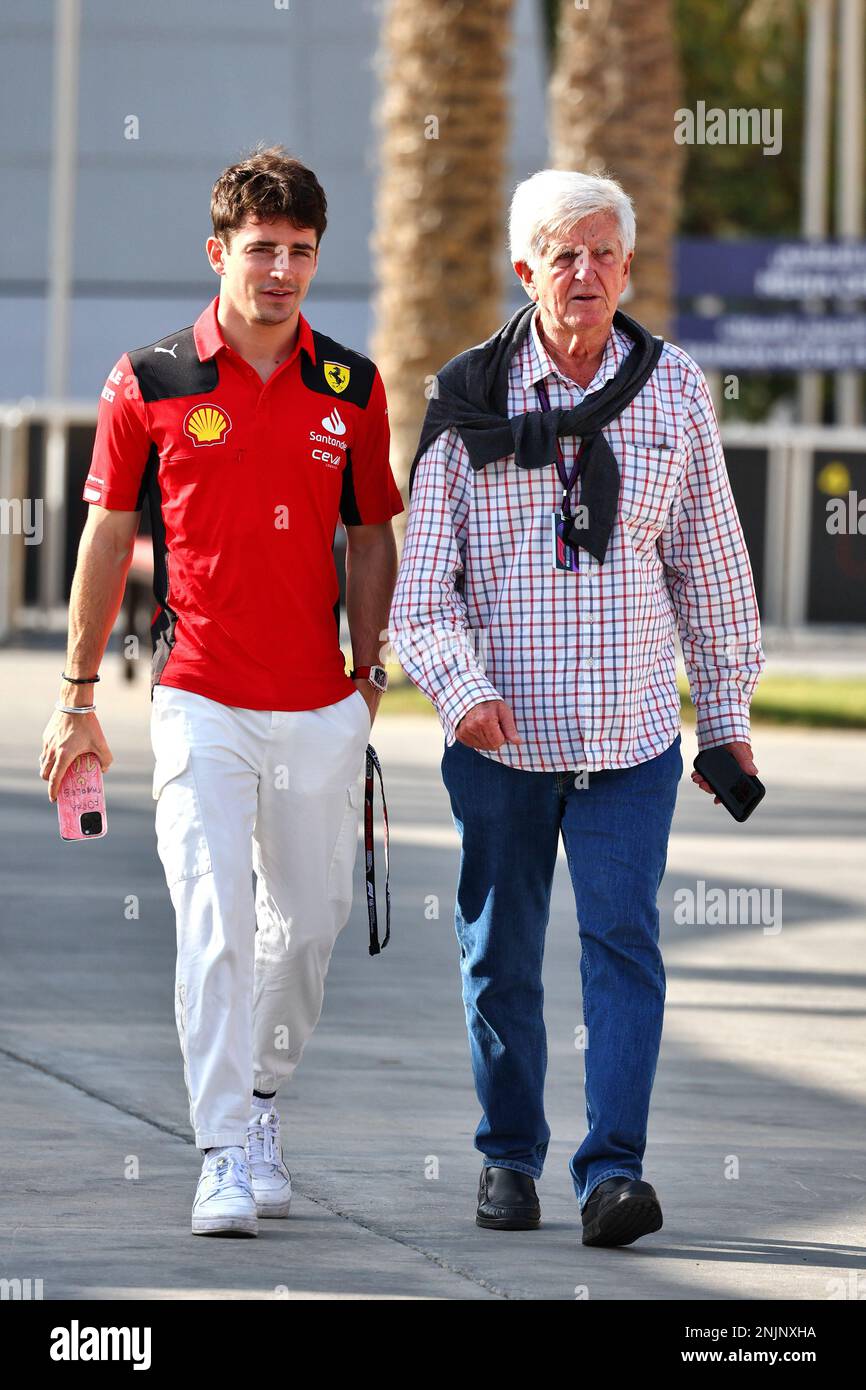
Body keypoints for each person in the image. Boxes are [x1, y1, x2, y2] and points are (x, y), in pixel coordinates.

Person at [389, 168, 765, 1247]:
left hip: (631, 740)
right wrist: (461, 696)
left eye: (605, 254)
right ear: (524, 270)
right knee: (498, 957)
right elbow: (423, 593)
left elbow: (711, 569)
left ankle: (613, 1176)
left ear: (628, 268)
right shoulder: (466, 395)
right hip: (499, 746)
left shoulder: (676, 389)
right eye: (564, 255)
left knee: (623, 947)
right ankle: (508, 1158)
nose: (586, 273)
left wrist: (724, 721)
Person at [39, 146, 403, 1238]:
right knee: (215, 922)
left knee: (309, 927)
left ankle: (257, 1105)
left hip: (320, 704)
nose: (281, 270)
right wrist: (75, 690)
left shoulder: (352, 385)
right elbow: (107, 533)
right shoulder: (147, 378)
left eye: (299, 252)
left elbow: (371, 530)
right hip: (197, 695)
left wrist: (368, 670)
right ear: (218, 252)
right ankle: (217, 1155)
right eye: (260, 250)